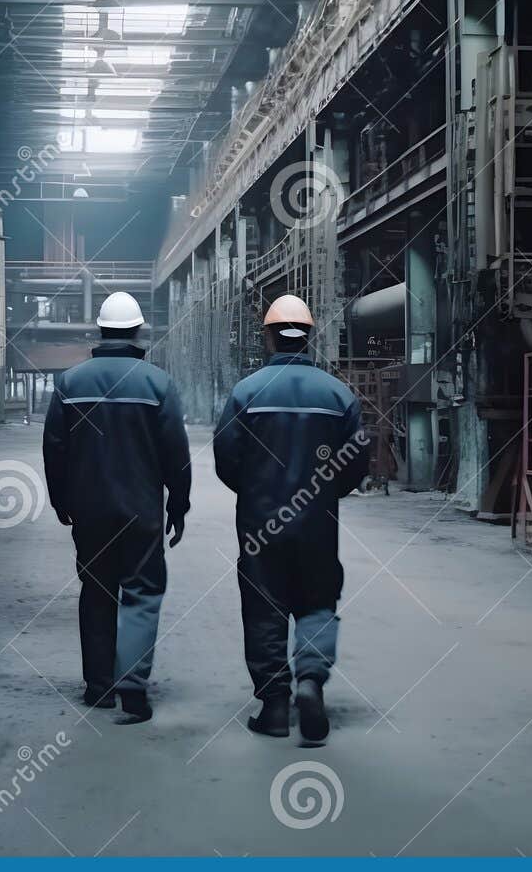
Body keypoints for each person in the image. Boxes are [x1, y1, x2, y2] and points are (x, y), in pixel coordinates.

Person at [213, 294, 367, 743]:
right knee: (317, 600)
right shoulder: (338, 394)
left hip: (261, 523)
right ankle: (310, 680)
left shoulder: (246, 393)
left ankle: (275, 706)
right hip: (318, 524)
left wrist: (255, 492)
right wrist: (326, 495)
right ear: (309, 337)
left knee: (264, 606)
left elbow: (226, 458)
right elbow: (356, 462)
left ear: (269, 337)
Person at [42, 291, 190, 724]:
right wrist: (178, 505)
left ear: (101, 330)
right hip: (142, 512)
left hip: (90, 512)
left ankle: (98, 687)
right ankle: (133, 687)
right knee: (142, 593)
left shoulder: (70, 383)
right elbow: (176, 454)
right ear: (138, 331)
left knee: (97, 592)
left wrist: (60, 500)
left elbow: (54, 448)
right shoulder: (158, 384)